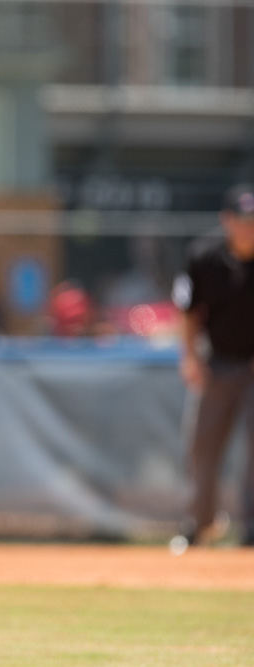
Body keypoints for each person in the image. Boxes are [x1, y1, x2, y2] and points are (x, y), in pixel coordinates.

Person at [171, 183, 254, 549]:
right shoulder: (204, 256)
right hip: (217, 362)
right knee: (202, 446)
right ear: (227, 221)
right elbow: (188, 313)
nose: (249, 228)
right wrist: (190, 358)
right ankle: (200, 523)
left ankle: (251, 528)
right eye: (243, 220)